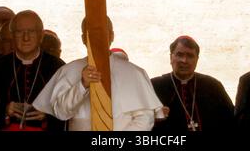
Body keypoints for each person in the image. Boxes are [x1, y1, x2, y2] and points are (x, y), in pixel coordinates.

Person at [33, 16, 162, 131]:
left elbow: (145, 118)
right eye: (90, 33)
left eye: (101, 32)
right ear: (83, 38)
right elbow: (61, 112)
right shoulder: (69, 70)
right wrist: (82, 86)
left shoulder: (134, 73)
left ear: (111, 35)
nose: (96, 37)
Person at [0, 10, 65, 131]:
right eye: (19, 32)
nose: (26, 38)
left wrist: (48, 115)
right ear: (12, 36)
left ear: (41, 36)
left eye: (31, 32)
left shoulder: (57, 67)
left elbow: (70, 109)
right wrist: (5, 110)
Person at [151, 35, 234, 132]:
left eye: (190, 56)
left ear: (197, 59)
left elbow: (230, 121)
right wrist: (152, 118)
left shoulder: (213, 86)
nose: (184, 61)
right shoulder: (153, 86)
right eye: (179, 55)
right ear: (171, 57)